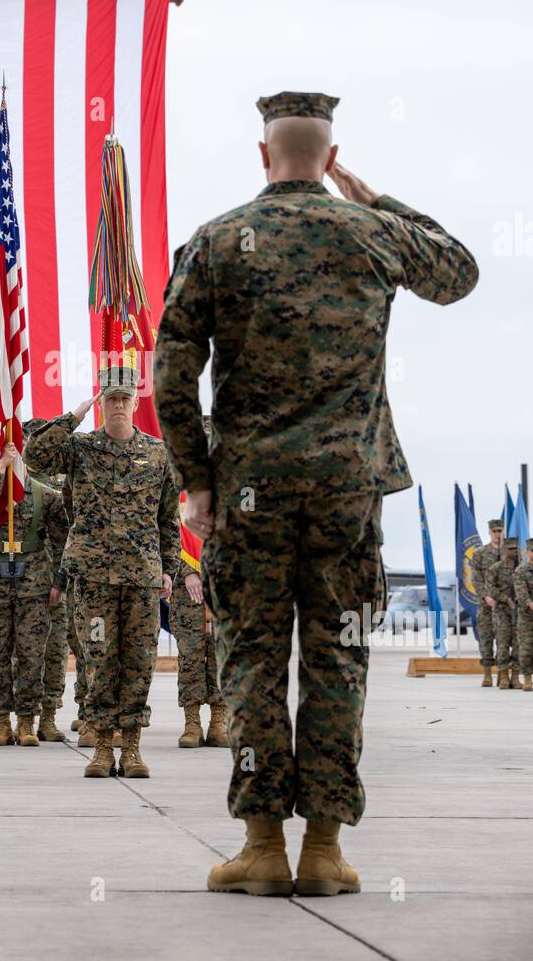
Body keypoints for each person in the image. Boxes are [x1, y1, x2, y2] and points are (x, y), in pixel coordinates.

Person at [154, 89, 478, 896]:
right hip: (346, 491)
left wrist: (196, 480)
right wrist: (375, 198)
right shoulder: (372, 233)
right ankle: (324, 851)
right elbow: (459, 273)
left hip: (247, 490)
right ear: (331, 160)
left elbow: (170, 372)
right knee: (338, 656)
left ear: (262, 155)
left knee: (253, 658)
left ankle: (262, 848)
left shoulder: (218, 239)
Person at [28, 366, 180, 779]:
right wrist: (72, 418)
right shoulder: (80, 448)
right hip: (93, 577)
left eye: (123, 399)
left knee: (138, 661)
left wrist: (169, 569)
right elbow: (34, 456)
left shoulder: (158, 454)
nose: (117, 405)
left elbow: (168, 519)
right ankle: (101, 746)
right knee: (98, 660)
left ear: (134, 402)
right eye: (109, 398)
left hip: (142, 578)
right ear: (102, 402)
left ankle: (130, 748)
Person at [0, 437, 69, 745]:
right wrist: (0, 468)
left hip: (34, 583)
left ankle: (27, 720)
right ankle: (1, 721)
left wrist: (58, 582)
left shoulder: (45, 495)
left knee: (31, 655)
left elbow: (63, 540)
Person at [170, 415, 226, 748]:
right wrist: (188, 571)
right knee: (190, 654)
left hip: (221, 584)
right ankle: (192, 723)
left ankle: (219, 722)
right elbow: (166, 532)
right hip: (185, 583)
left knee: (220, 652)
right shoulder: (177, 486)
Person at [22, 417, 74, 742]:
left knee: (58, 648)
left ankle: (51, 714)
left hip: (61, 575)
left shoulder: (65, 476)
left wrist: (63, 577)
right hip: (25, 578)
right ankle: (25, 715)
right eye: (31, 438)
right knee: (25, 650)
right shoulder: (16, 478)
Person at [470, 520, 503, 686]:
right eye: (495, 531)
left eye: (500, 530)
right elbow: (475, 578)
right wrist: (485, 596)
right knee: (486, 639)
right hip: (486, 605)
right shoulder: (481, 553)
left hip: (506, 605)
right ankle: (488, 674)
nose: (498, 534)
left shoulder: (512, 553)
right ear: (489, 533)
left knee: (506, 640)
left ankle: (504, 675)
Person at [485, 537, 519, 689]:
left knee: (519, 645)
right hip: (501, 612)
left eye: (515, 548)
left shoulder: (522, 568)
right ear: (504, 550)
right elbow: (490, 588)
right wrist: (505, 599)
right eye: (510, 548)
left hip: (519, 613)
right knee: (503, 644)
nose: (513, 551)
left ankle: (516, 677)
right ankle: (504, 676)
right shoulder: (495, 568)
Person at [512, 538, 533, 692]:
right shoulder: (521, 571)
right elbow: (522, 594)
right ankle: (527, 678)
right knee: (525, 648)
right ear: (528, 552)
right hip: (527, 616)